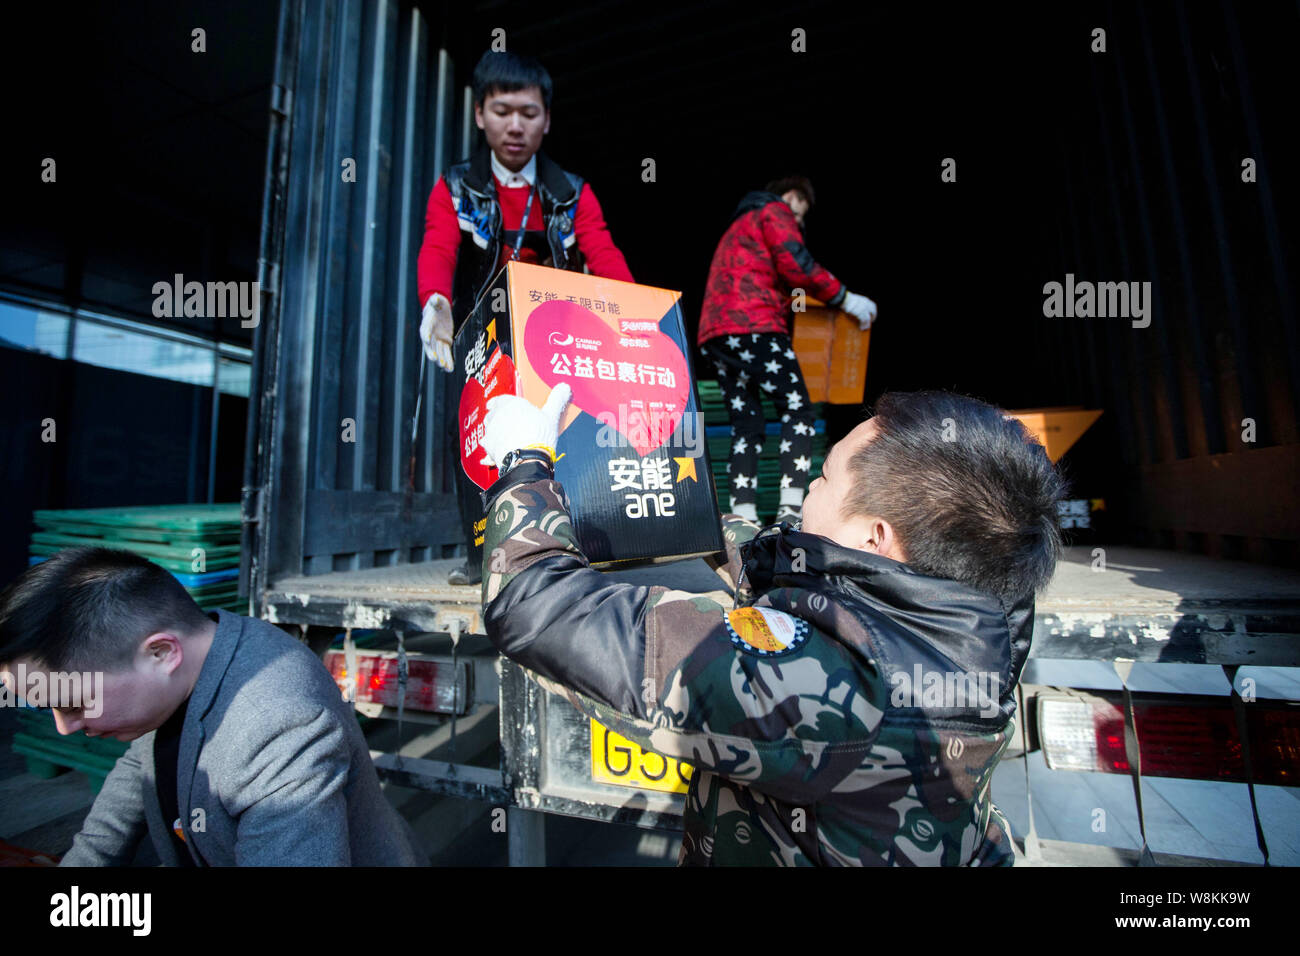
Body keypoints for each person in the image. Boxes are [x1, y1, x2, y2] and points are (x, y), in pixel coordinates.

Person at [476, 383, 1066, 866]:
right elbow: (783, 559)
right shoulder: (973, 618)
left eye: (826, 477)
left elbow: (535, 605)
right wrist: (659, 482)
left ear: (874, 537)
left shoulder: (819, 686)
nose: (810, 484)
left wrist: (521, 467)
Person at [0, 548, 424, 866]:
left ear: (161, 652)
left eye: (73, 703)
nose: (64, 727)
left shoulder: (279, 724)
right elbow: (141, 765)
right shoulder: (205, 647)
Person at [416, 50, 634, 585]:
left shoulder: (571, 192)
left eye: (529, 113)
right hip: (480, 335)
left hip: (552, 332)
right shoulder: (454, 187)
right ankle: (481, 556)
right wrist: (435, 302)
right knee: (475, 437)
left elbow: (602, 254)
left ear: (547, 120)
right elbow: (439, 247)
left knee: (563, 430)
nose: (515, 126)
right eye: (503, 110)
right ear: (480, 115)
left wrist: (632, 315)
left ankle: (570, 541)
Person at [697, 176, 878, 525]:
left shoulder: (739, 224)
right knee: (799, 410)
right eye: (800, 213)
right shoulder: (773, 209)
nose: (798, 222)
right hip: (754, 325)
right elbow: (796, 264)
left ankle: (742, 516)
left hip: (717, 335)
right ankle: (791, 510)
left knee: (746, 423)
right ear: (792, 196)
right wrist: (844, 297)